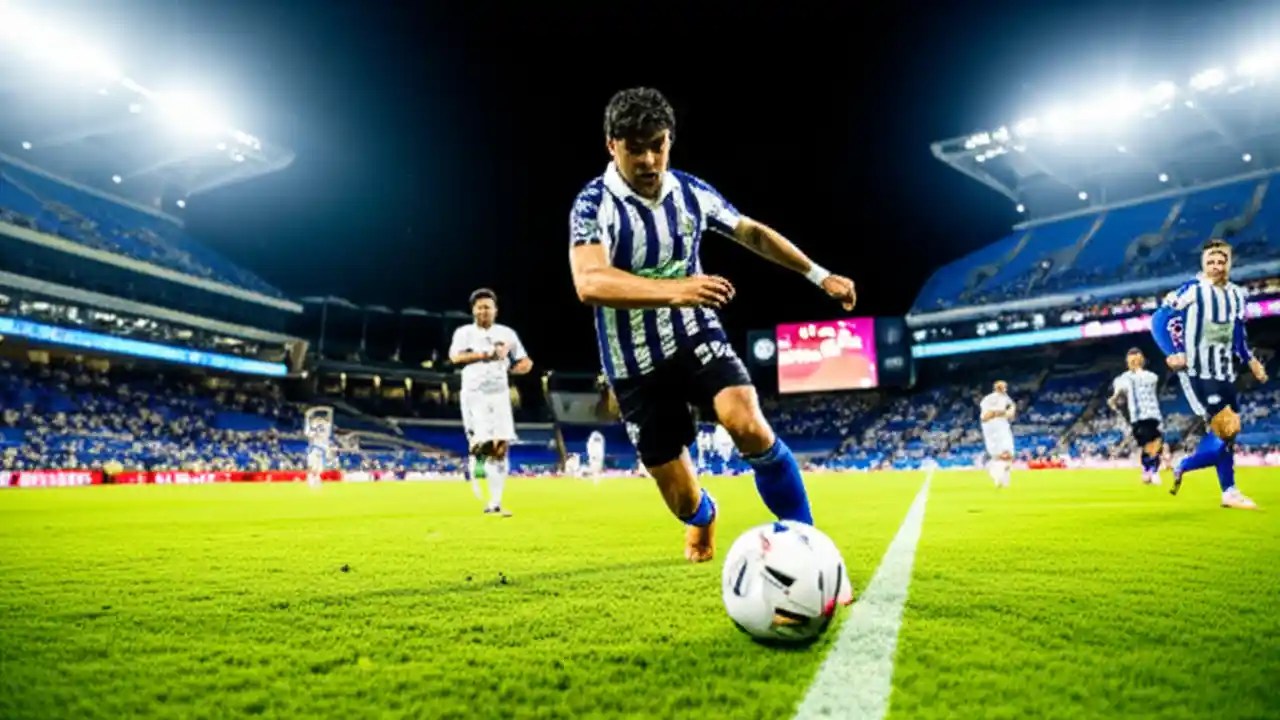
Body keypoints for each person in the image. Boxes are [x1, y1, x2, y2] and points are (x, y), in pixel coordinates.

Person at [567, 87, 856, 562]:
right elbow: (589, 280)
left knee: (747, 421)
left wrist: (820, 276)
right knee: (682, 500)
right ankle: (704, 517)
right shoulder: (592, 204)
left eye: (657, 145)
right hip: (633, 363)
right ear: (611, 146)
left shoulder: (689, 192)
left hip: (694, 334)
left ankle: (809, 551)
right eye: (634, 148)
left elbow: (752, 233)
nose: (648, 160)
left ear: (669, 142)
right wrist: (677, 290)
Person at [1151, 239, 1268, 509]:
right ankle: (1191, 466)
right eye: (1210, 262)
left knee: (1228, 433)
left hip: (1225, 370)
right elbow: (1158, 319)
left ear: (1229, 262)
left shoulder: (1238, 294)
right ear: (1203, 264)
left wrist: (1249, 360)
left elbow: (1238, 332)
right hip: (1198, 370)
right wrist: (1172, 351)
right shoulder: (1193, 289)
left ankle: (1228, 490)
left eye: (1221, 261)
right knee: (1226, 428)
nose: (1216, 266)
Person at [448, 288, 533, 516]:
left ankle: (494, 504)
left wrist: (516, 367)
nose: (484, 311)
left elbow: (525, 361)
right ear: (473, 310)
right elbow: (455, 357)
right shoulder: (464, 333)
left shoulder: (507, 333)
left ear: (496, 310)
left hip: (500, 393)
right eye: (480, 307)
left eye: (488, 307)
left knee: (502, 447)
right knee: (484, 445)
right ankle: (476, 456)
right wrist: (486, 355)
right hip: (475, 394)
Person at [1107, 348, 1165, 485]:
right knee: (1147, 444)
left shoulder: (1151, 376)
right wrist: (1114, 399)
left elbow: (1144, 382)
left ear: (1142, 360)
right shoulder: (1122, 379)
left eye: (1137, 359)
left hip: (1153, 414)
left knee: (1155, 443)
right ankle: (1151, 470)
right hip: (1137, 416)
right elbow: (1119, 392)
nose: (1134, 362)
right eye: (1131, 359)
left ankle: (1150, 470)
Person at [979, 380, 1016, 488]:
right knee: (1000, 455)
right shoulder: (988, 399)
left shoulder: (1006, 399)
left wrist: (1006, 413)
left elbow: (1011, 412)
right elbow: (986, 416)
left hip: (1001, 426)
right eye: (1002, 387)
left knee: (1008, 455)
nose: (1004, 389)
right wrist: (1002, 413)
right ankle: (996, 475)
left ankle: (1002, 480)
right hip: (993, 428)